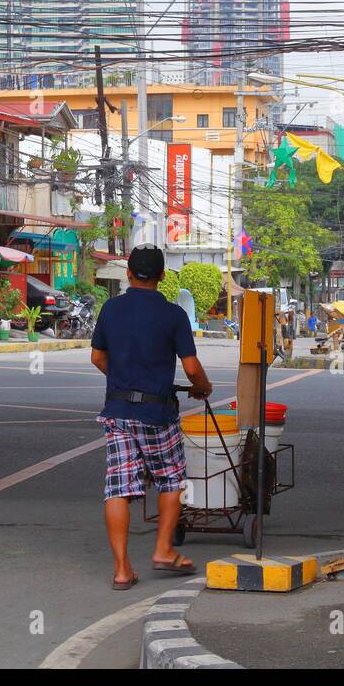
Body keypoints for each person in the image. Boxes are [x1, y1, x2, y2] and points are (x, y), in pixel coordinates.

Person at [90, 244, 212, 591]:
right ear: (161, 277)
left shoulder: (111, 309)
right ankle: (162, 549)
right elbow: (191, 368)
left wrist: (122, 381)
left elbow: (97, 358)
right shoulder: (173, 315)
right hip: (157, 413)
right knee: (171, 479)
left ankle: (122, 570)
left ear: (128, 273)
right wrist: (203, 387)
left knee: (118, 487)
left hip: (117, 413)